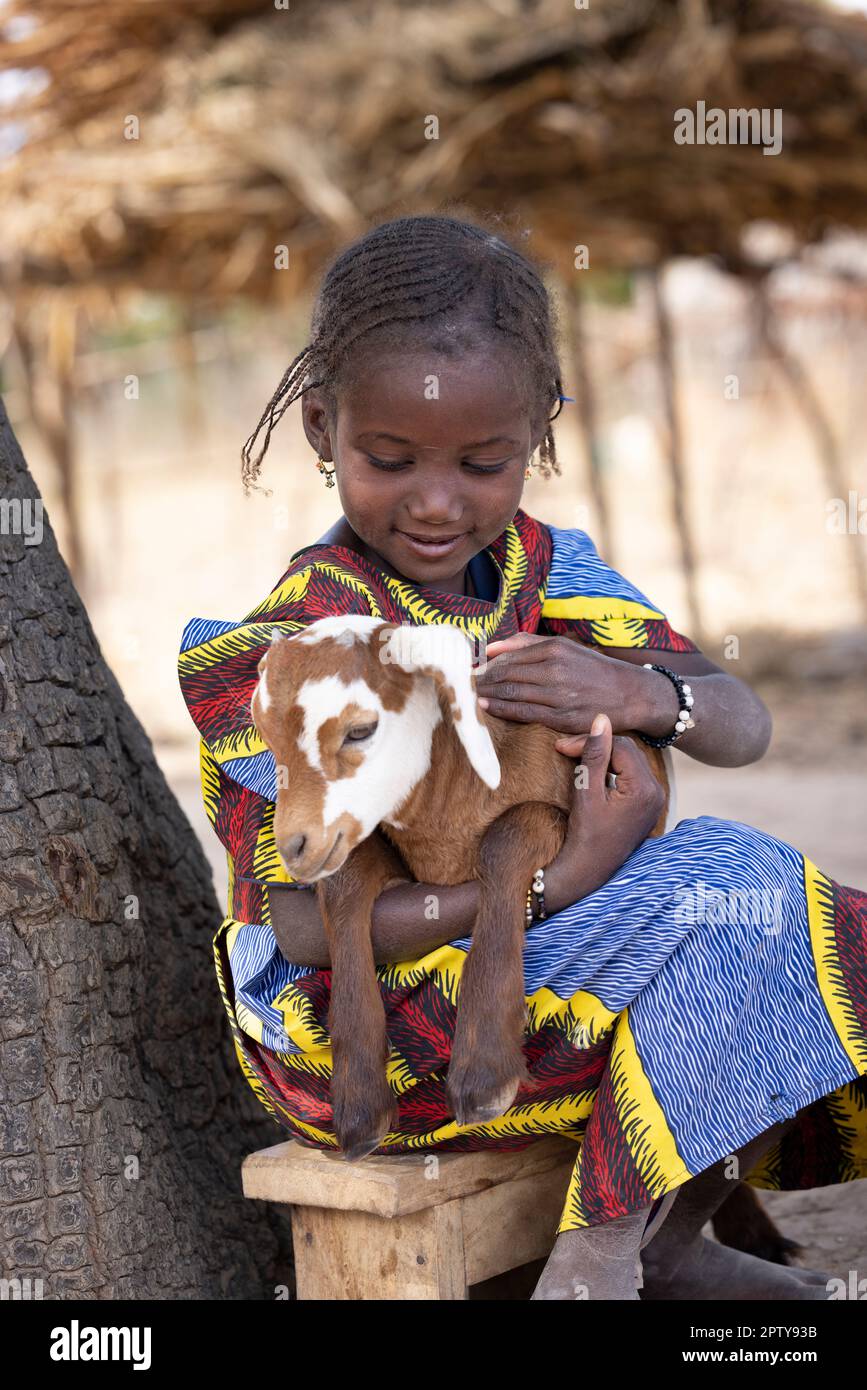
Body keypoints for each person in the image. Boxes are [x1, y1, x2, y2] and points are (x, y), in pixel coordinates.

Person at [178, 213, 867, 1300]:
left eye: (484, 461)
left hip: (541, 1002)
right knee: (744, 886)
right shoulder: (307, 635)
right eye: (388, 459)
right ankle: (593, 1274)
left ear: (540, 435)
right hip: (368, 1051)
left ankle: (666, 1251)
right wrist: (559, 883)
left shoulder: (551, 573)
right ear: (320, 428)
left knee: (796, 923)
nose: (438, 500)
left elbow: (743, 725)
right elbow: (304, 923)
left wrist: (637, 689)